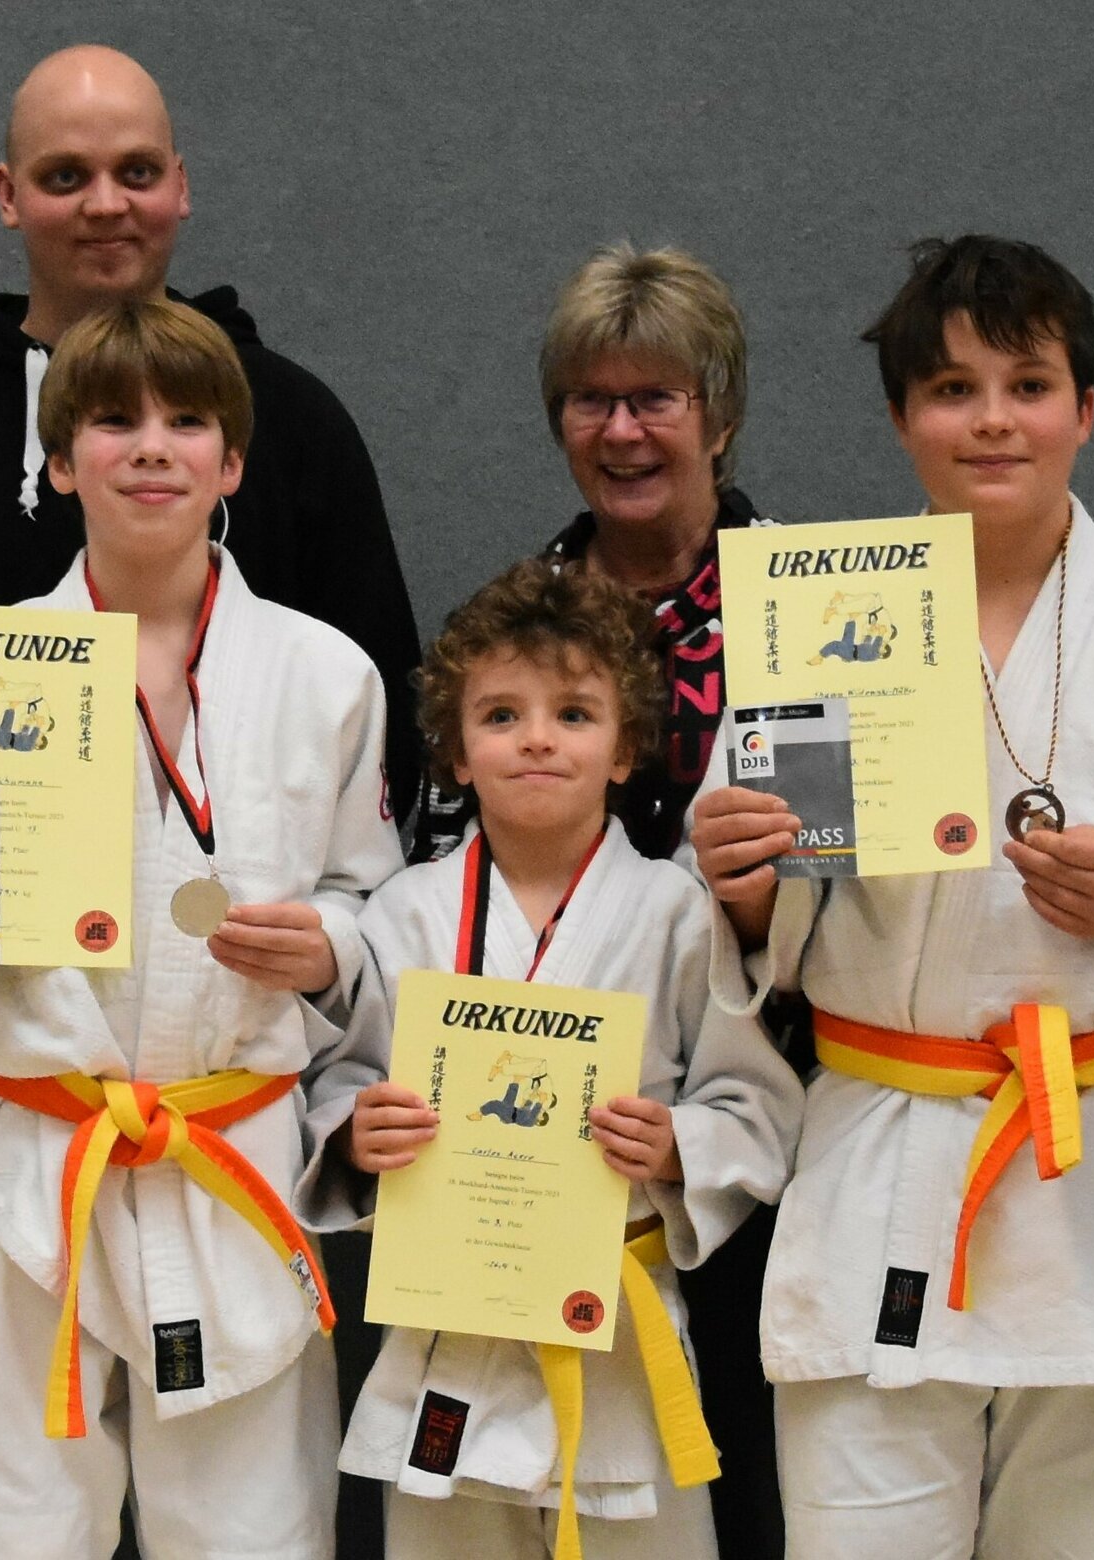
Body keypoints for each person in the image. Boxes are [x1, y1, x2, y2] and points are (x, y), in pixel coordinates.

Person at [0, 46, 421, 1552]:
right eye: (112, 427)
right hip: (30, 1160)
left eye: (184, 428)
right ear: (61, 456)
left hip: (234, 1155)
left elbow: (380, 900)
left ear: (233, 459)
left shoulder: (328, 673)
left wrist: (332, 954)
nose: (149, 450)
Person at [693, 234, 1094, 1557]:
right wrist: (737, 893)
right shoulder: (821, 609)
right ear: (902, 416)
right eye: (953, 388)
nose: (994, 418)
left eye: (1030, 382)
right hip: (883, 1160)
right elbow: (772, 918)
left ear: (1087, 408)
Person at [411, 242, 796, 1558]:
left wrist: (764, 925)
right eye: (592, 400)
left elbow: (888, 883)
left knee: (744, 1480)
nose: (623, 430)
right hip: (524, 1154)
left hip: (770, 1128)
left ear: (721, 414)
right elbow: (440, 870)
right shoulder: (513, 629)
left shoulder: (808, 616)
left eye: (657, 398)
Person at [305, 558, 800, 1560]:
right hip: (451, 1336)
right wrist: (357, 1133)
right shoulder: (401, 915)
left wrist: (677, 1145)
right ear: (452, 751)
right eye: (500, 715)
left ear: (626, 751)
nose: (535, 737)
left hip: (617, 1333)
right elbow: (338, 1080)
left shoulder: (673, 912)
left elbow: (752, 1101)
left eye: (573, 713)